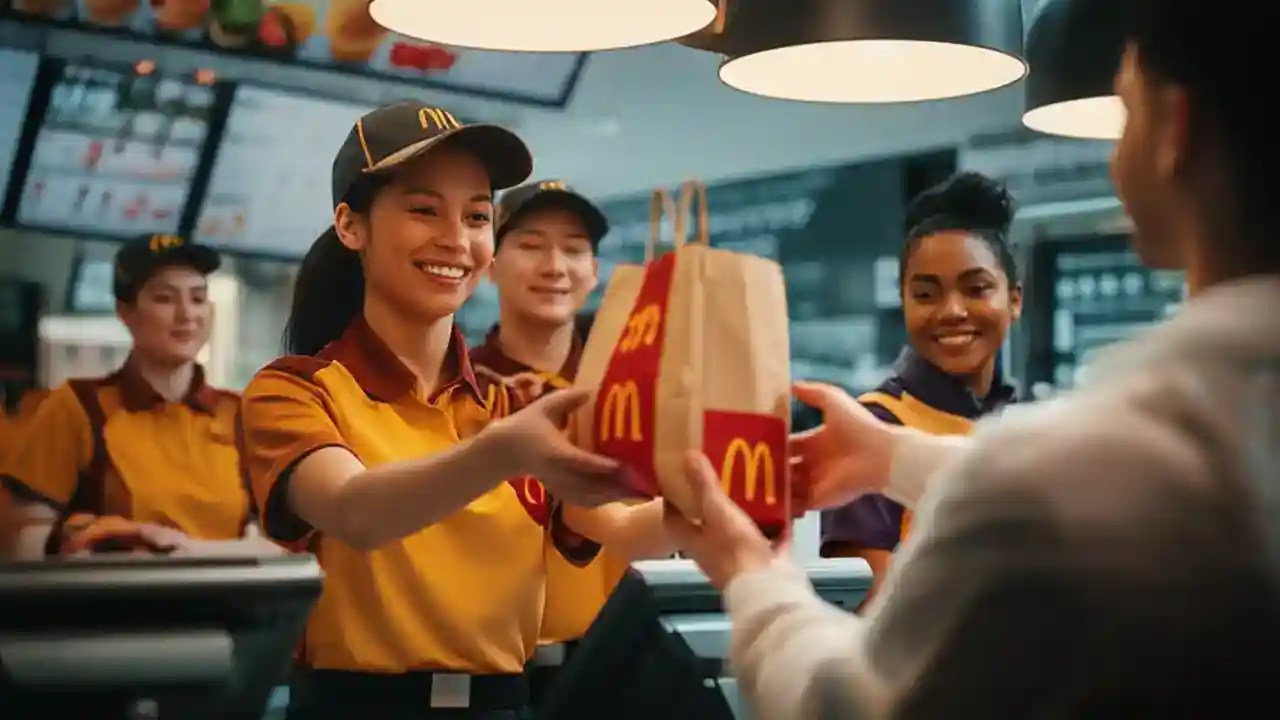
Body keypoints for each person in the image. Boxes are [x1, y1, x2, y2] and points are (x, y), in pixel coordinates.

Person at [664, 2, 1280, 716]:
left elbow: (852, 704)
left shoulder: (1054, 469)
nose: (952, 311)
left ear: (1176, 129)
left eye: (1125, 111)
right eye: (926, 291)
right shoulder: (1090, 460)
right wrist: (890, 457)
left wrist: (750, 571)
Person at [238, 101, 672, 720]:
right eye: (423, 210)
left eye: (476, 216)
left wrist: (748, 488)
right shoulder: (295, 392)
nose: (456, 239)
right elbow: (354, 511)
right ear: (350, 225)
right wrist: (504, 451)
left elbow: (625, 531)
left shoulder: (509, 407)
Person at [0, 235, 274, 559]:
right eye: (164, 298)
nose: (187, 314)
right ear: (124, 311)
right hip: (116, 592)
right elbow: (24, 540)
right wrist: (93, 542)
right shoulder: (80, 406)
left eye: (198, 298)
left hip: (230, 592)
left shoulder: (239, 414)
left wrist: (193, 552)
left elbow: (287, 540)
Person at [821, 172, 1020, 600]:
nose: (952, 311)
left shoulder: (1028, 425)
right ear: (904, 302)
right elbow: (874, 608)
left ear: (1014, 299)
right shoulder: (873, 426)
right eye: (926, 295)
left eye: (976, 289)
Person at [470, 180, 632, 651]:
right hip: (485, 656)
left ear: (594, 271)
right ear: (490, 264)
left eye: (574, 249)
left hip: (615, 653)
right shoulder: (459, 389)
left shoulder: (628, 392)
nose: (555, 267)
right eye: (530, 246)